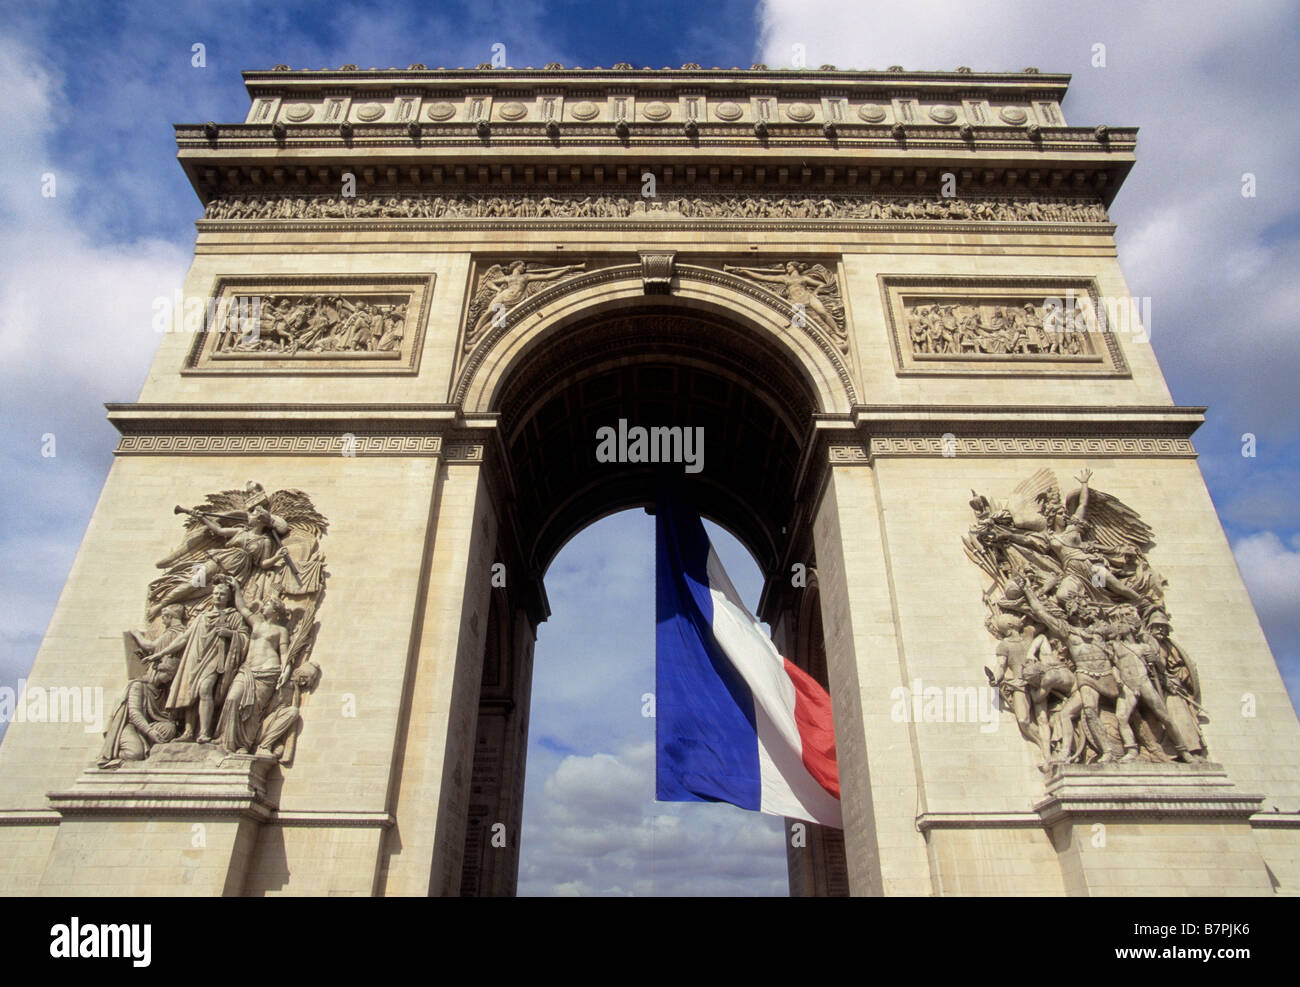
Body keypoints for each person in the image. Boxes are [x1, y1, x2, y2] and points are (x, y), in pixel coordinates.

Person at [215, 577, 293, 756]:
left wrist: (286, 670)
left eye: (267, 605)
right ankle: (226, 740)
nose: (263, 607)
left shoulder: (281, 631)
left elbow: (284, 652)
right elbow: (242, 608)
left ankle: (244, 745)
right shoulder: (256, 623)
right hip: (247, 669)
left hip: (268, 671)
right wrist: (235, 588)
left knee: (254, 710)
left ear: (275, 610)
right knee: (232, 699)